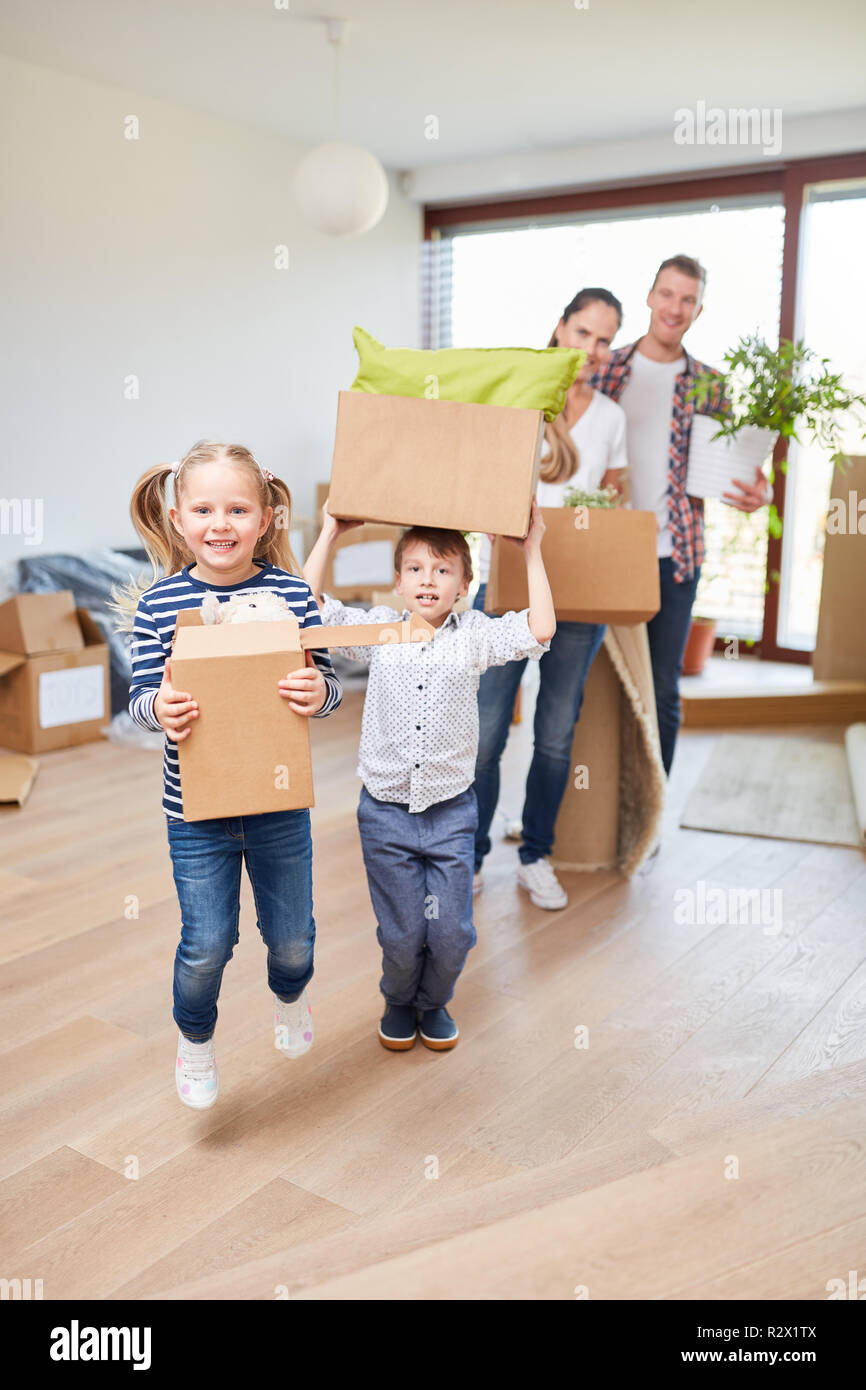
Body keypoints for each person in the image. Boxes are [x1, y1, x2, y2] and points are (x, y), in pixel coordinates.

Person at [120, 440, 342, 1110]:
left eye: (238, 508)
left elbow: (326, 680)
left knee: (294, 939)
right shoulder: (160, 605)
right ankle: (195, 1042)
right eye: (205, 509)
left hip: (278, 805)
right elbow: (136, 701)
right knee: (207, 945)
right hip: (196, 810)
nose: (222, 523)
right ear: (180, 520)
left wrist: (319, 694)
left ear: (267, 518)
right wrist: (160, 706)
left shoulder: (294, 596)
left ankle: (289, 998)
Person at [304, 500, 555, 1051]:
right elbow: (308, 610)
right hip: (385, 813)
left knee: (450, 934)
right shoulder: (380, 632)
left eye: (443, 570)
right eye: (415, 569)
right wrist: (330, 533)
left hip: (450, 812)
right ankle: (398, 1000)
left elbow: (540, 629)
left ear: (464, 586)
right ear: (397, 582)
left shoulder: (475, 636)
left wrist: (530, 550)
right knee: (401, 934)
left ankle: (433, 1001)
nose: (427, 580)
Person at [472, 288, 628, 910]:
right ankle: (473, 855)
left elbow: (615, 497)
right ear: (560, 328)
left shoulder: (611, 418)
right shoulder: (519, 400)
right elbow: (481, 488)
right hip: (508, 589)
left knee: (556, 734)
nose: (592, 348)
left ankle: (536, 855)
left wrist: (603, 510)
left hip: (579, 596)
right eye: (584, 332)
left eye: (605, 339)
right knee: (485, 734)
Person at [593, 254, 772, 776]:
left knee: (663, 688)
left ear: (699, 309)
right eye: (667, 294)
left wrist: (754, 491)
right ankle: (588, 813)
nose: (675, 308)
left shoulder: (711, 385)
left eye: (687, 299)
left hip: (676, 557)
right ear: (650, 296)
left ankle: (651, 812)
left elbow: (730, 468)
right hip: (607, 555)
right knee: (595, 685)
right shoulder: (607, 370)